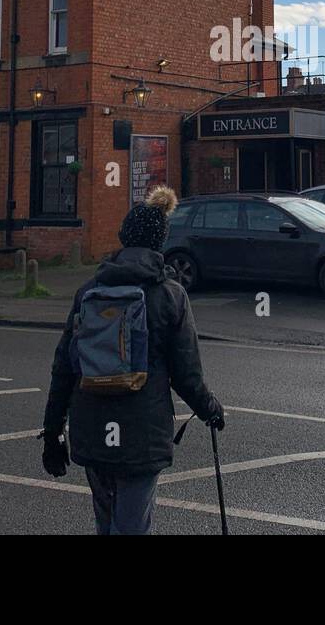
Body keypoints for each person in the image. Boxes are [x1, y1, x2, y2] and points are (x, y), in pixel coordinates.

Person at [40, 185, 224, 536]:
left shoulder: (88, 292)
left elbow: (64, 367)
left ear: (124, 239)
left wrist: (52, 433)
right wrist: (210, 409)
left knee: (105, 521)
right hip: (142, 435)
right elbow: (186, 375)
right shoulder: (170, 296)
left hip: (92, 428)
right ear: (160, 243)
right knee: (133, 527)